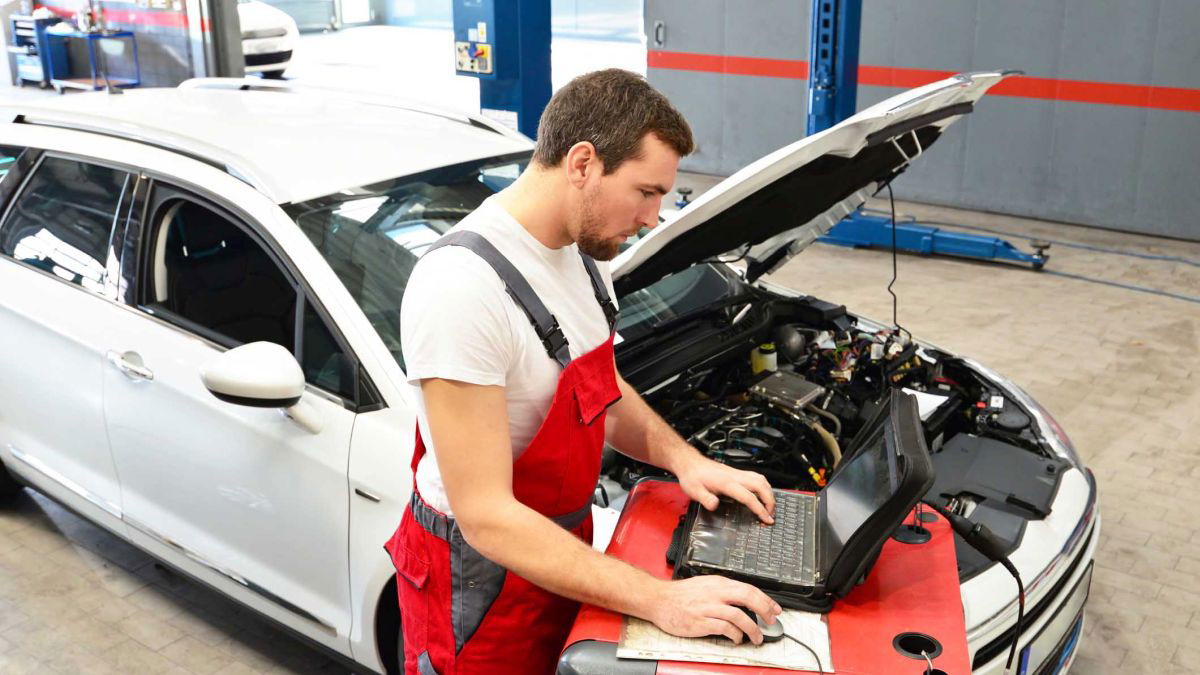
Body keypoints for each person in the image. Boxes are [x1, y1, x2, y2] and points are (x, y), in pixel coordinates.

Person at [386, 68, 781, 675]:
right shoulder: (461, 288)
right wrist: (660, 600)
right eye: (645, 192)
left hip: (558, 548)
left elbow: (597, 386)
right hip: (477, 581)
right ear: (582, 163)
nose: (653, 218)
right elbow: (486, 515)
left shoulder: (581, 252)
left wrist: (686, 461)